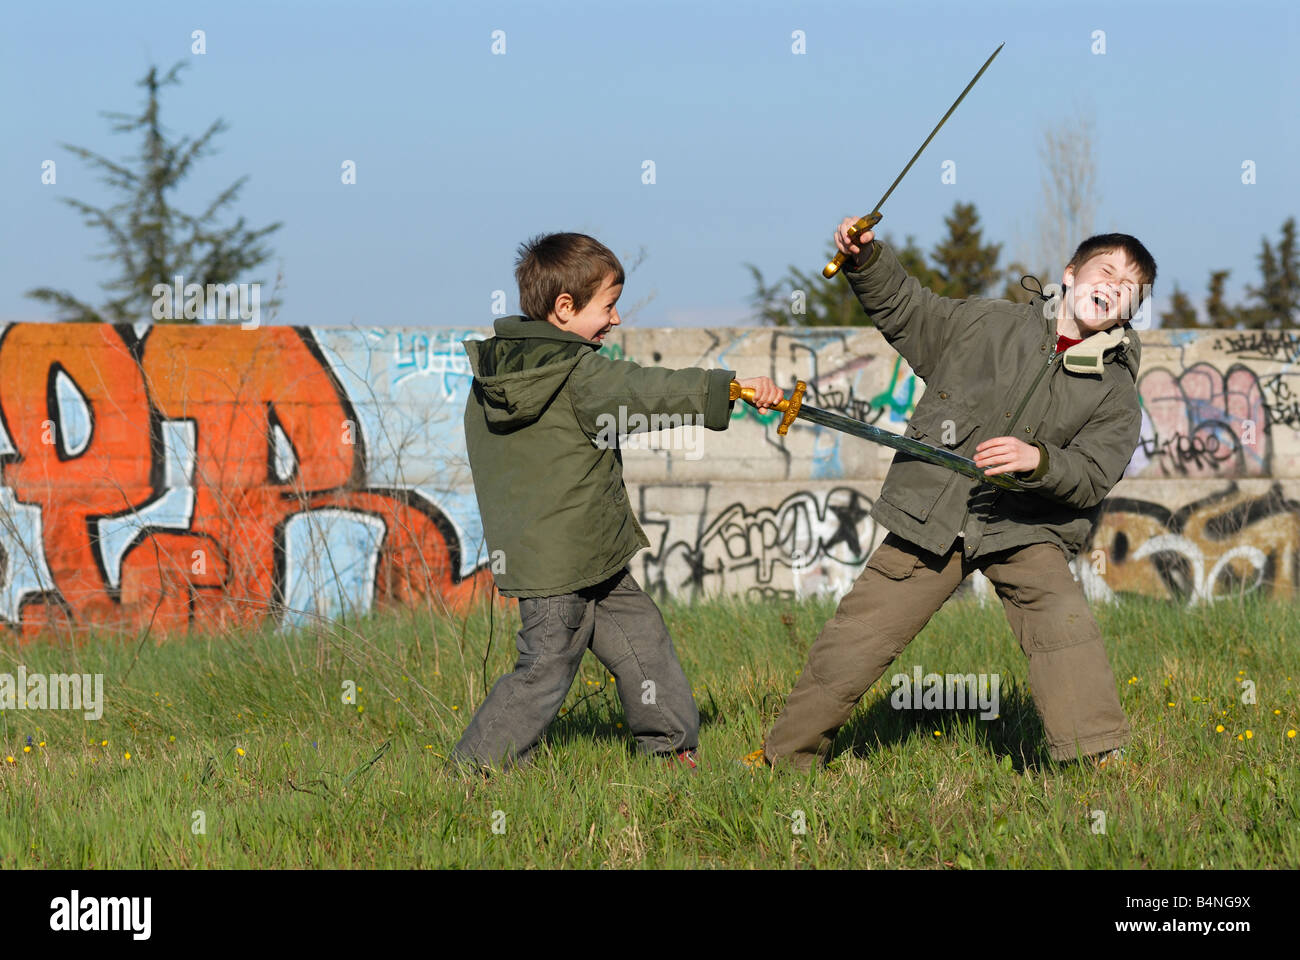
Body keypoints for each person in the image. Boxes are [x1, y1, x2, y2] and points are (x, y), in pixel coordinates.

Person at [753, 217, 1156, 772]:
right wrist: (866, 260)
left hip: (1026, 526)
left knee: (1066, 630)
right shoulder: (987, 323)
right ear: (1070, 275)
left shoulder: (1115, 394)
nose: (1114, 285)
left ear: (1130, 311)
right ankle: (785, 758)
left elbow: (1090, 475)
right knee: (857, 637)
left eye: (1130, 287)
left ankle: (1099, 764)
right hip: (933, 510)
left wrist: (1037, 461)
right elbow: (908, 312)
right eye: (1105, 269)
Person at [453, 231, 781, 773]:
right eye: (608, 305)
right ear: (565, 308)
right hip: (561, 564)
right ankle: (477, 767)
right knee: (545, 666)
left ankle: (671, 749)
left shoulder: (500, 374)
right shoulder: (578, 372)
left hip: (585, 551)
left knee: (641, 641)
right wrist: (729, 389)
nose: (617, 318)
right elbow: (646, 390)